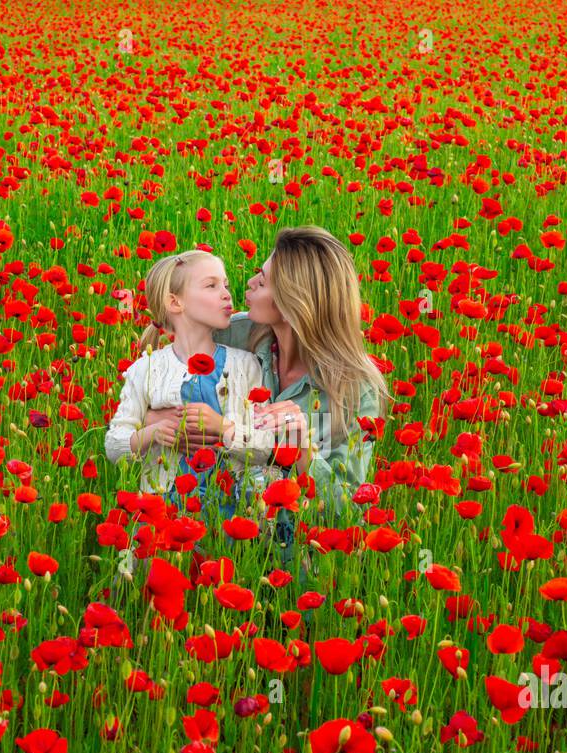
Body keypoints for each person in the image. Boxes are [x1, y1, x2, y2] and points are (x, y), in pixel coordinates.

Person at [143, 226, 389, 569]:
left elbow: (347, 514)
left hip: (292, 568)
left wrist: (301, 454)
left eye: (263, 277)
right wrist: (159, 418)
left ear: (293, 304)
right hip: (209, 538)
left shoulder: (354, 389)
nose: (251, 282)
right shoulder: (236, 333)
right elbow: (157, 344)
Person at [103, 249, 268, 521]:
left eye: (225, 284)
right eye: (211, 285)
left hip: (230, 514)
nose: (227, 293)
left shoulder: (246, 366)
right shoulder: (146, 369)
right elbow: (114, 445)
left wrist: (223, 428)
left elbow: (264, 447)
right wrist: (153, 433)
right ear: (175, 302)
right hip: (163, 512)